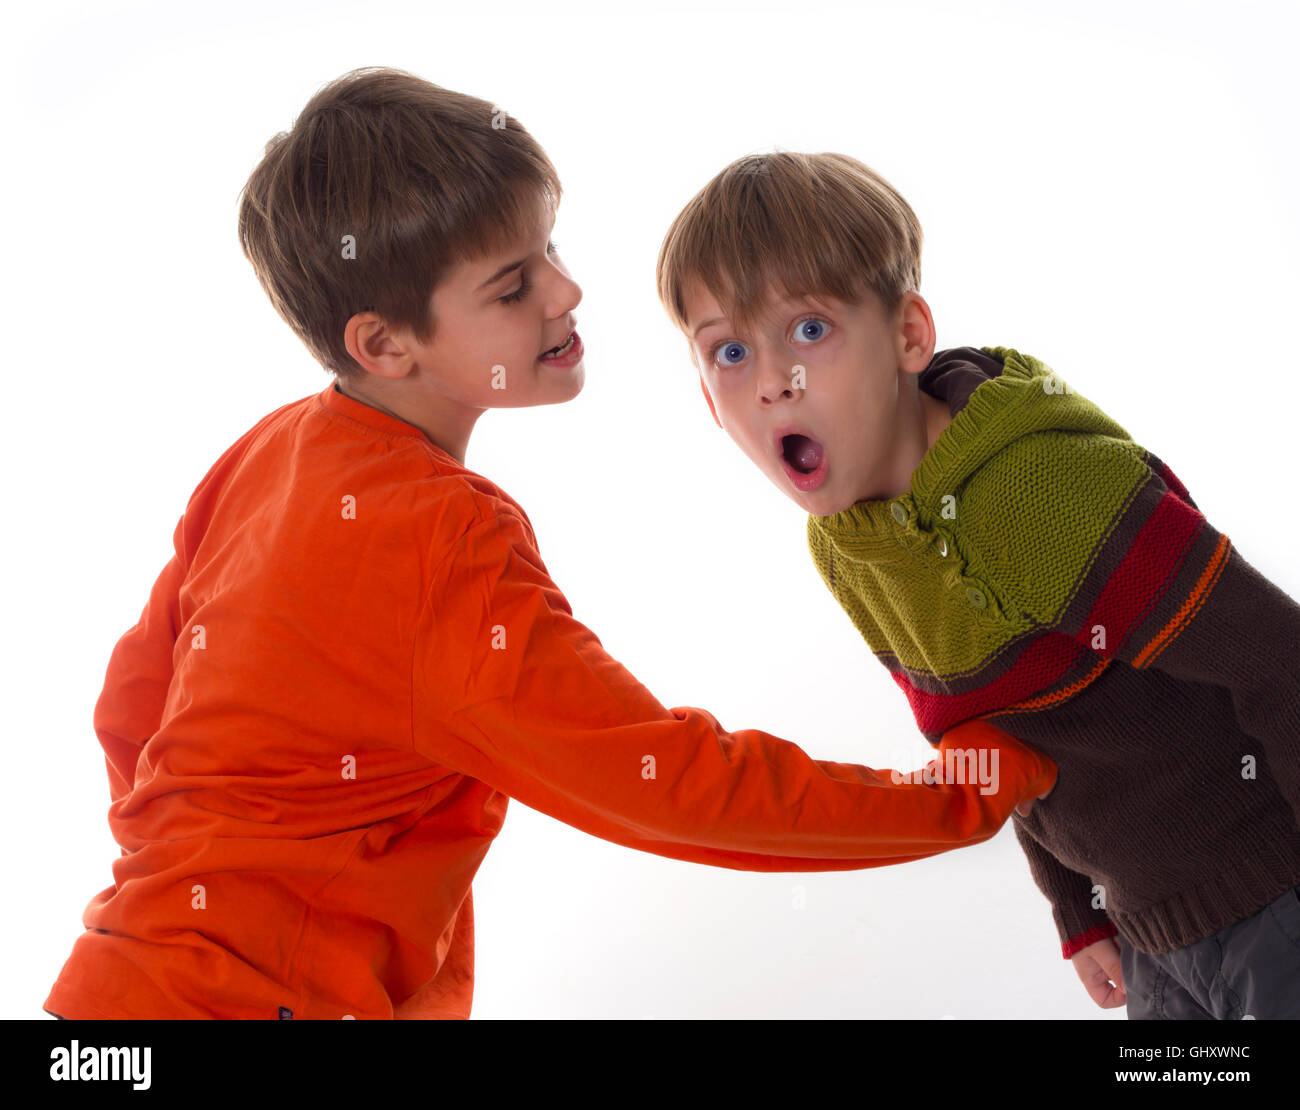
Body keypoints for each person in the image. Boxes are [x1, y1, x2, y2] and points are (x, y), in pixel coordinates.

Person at [41, 69, 1055, 1022]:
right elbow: (657, 780)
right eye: (511, 286)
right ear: (384, 344)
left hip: (112, 992)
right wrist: (956, 794)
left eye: (551, 252)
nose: (566, 295)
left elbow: (132, 707)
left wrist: (202, 879)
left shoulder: (267, 455)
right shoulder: (439, 532)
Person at [655, 150, 1300, 1019]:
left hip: (1271, 898)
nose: (775, 381)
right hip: (1153, 935)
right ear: (706, 401)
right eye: (729, 350)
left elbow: (1278, 657)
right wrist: (1080, 911)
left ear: (908, 337)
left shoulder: (1033, 488)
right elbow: (1002, 743)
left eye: (809, 330)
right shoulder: (849, 550)